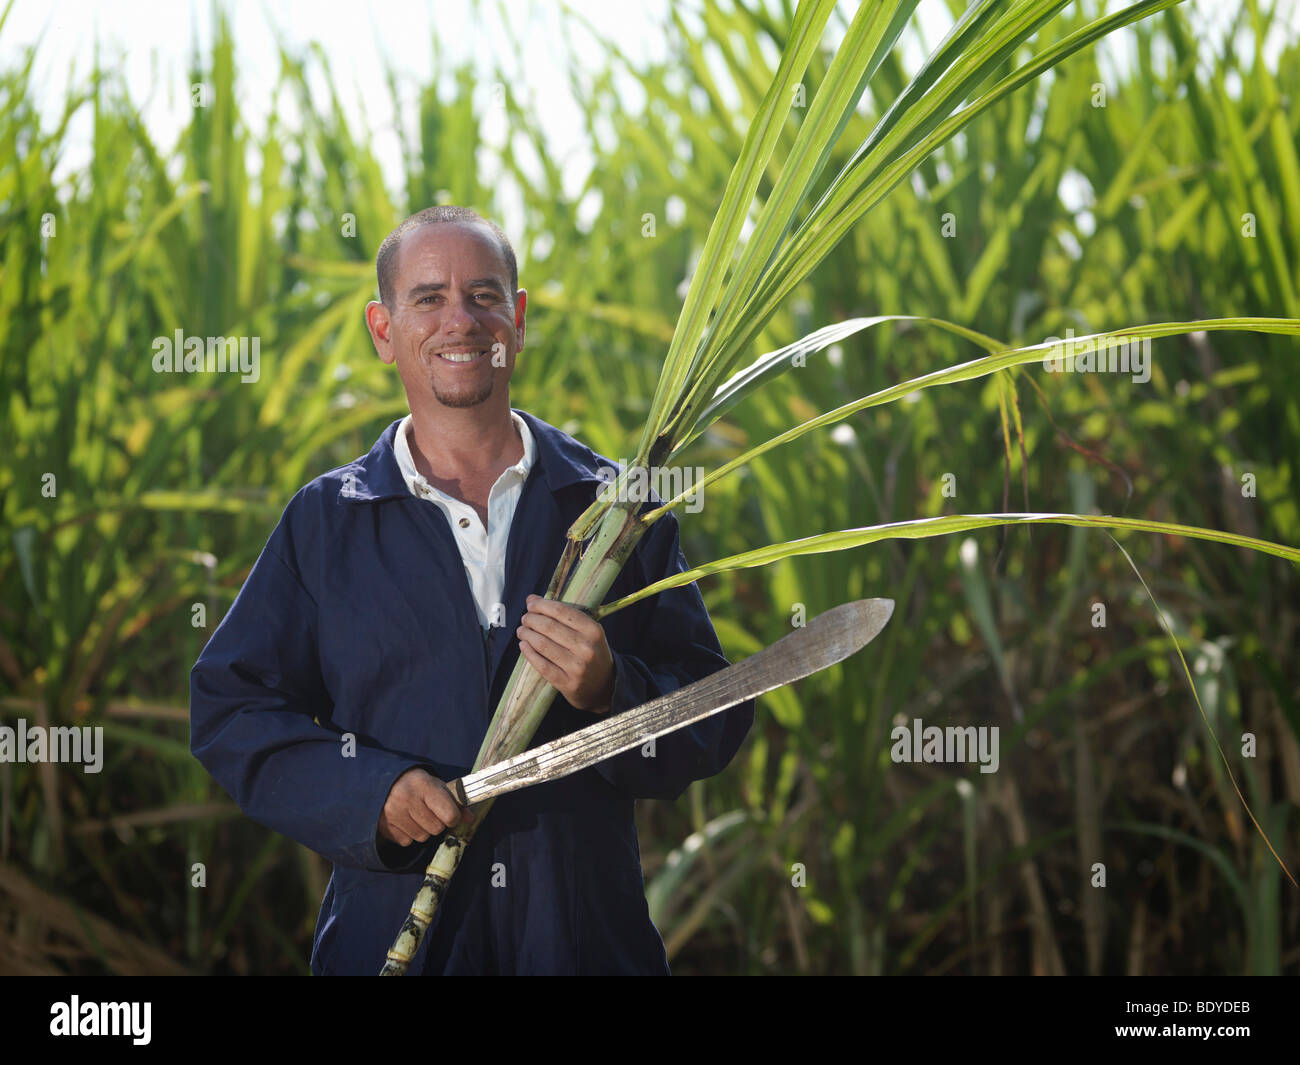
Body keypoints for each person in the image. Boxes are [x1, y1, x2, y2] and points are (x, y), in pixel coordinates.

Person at [189, 205, 754, 974]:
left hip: (580, 945)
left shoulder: (613, 510)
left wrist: (610, 689)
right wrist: (370, 793)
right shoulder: (329, 521)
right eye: (428, 297)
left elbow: (713, 712)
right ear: (384, 330)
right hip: (395, 941)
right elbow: (233, 709)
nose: (461, 320)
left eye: (484, 295)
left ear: (517, 320)